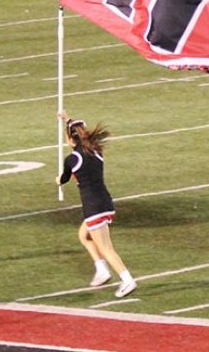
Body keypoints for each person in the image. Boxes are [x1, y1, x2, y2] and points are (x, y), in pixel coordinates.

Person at [56, 111, 137, 298]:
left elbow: (64, 178)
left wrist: (59, 180)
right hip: (105, 202)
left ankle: (127, 280)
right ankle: (101, 270)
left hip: (93, 207)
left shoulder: (71, 160)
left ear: (70, 140)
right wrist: (67, 119)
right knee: (83, 235)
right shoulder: (96, 152)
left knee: (106, 248)